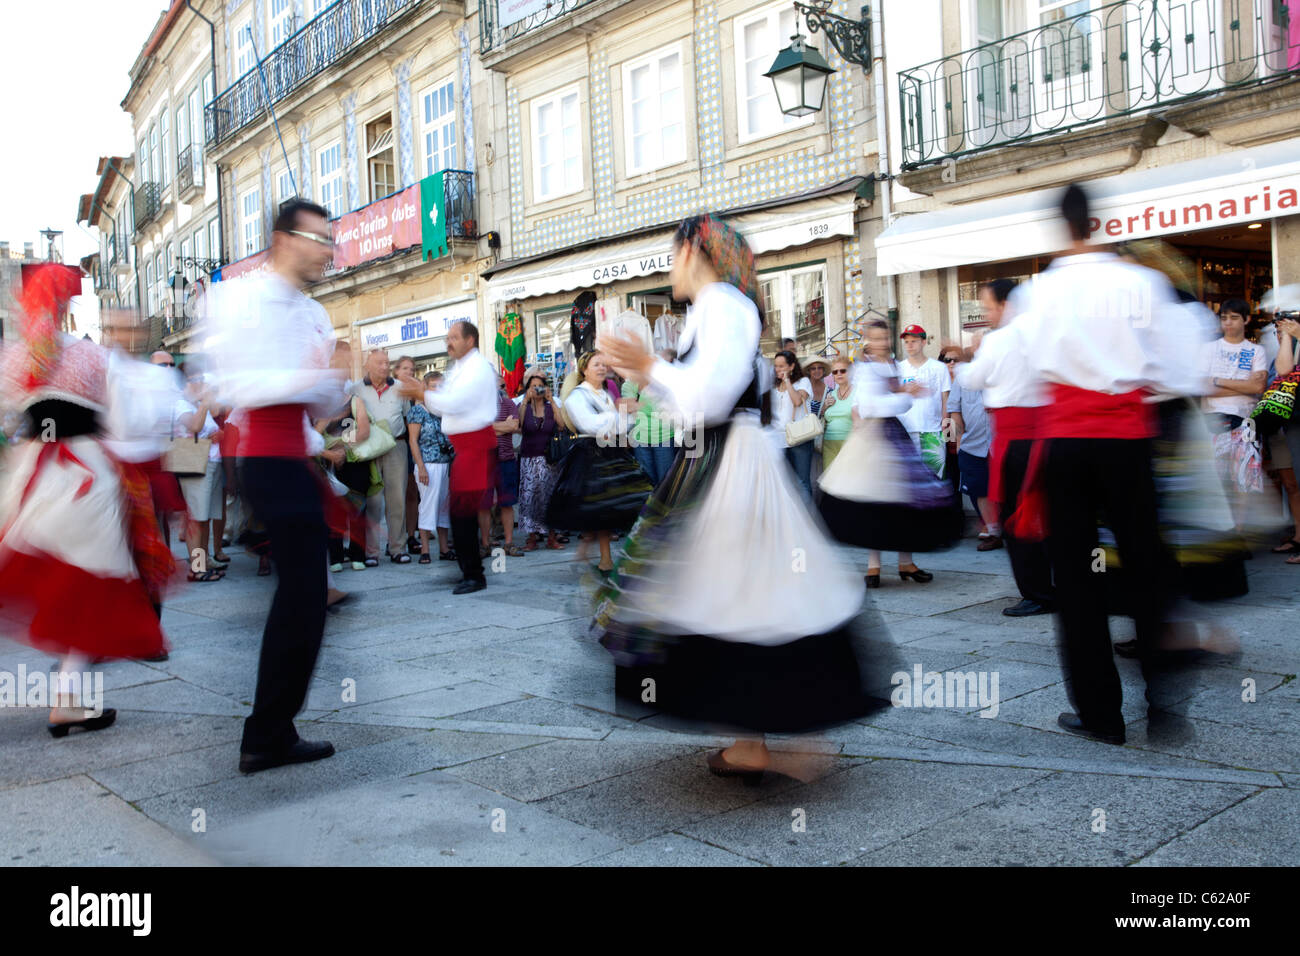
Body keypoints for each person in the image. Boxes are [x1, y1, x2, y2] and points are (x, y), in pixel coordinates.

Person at [596, 215, 894, 782]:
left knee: (735, 590)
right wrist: (650, 372)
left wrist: (649, 367)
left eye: (673, 250)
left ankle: (771, 734)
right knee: (743, 591)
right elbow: (696, 403)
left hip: (730, 464)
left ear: (693, 250)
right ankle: (758, 737)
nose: (669, 263)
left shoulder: (723, 304)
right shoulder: (716, 308)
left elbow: (710, 396)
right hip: (721, 460)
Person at [1008, 183, 1197, 745]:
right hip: (1127, 437)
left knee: (1078, 578)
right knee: (1147, 564)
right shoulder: (1141, 282)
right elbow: (1177, 373)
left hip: (1067, 440)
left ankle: (1101, 715)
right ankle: (1164, 709)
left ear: (1061, 229)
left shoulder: (1037, 293)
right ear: (1097, 225)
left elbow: (1027, 373)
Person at [0, 264, 173, 736]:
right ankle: (67, 699)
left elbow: (7, 418)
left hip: (33, 480)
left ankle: (65, 697)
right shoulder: (92, 358)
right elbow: (126, 427)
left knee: (28, 573)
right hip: (87, 480)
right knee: (91, 590)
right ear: (66, 308)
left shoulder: (14, 360)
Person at [206, 198, 344, 773]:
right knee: (304, 593)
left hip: (292, 454)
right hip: (263, 453)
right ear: (284, 238)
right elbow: (234, 382)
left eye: (329, 241)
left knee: (307, 595)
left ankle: (271, 728)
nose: (326, 251)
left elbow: (325, 404)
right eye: (317, 239)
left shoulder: (313, 313)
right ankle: (266, 733)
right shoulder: (240, 298)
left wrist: (331, 380)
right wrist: (317, 377)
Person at [819, 321, 959, 587]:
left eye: (885, 337)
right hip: (875, 437)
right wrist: (906, 395)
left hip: (892, 435)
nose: (882, 342)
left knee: (900, 501)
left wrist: (905, 395)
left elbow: (886, 404)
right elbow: (872, 406)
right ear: (868, 341)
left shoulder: (890, 365)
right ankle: (875, 566)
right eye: (876, 338)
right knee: (876, 501)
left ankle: (904, 562)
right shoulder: (866, 367)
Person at [958, 278, 1055, 617]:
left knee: (1017, 517)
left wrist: (965, 358)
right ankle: (1056, 584)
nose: (987, 313)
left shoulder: (999, 340)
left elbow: (972, 379)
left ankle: (1038, 592)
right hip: (1047, 433)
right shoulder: (1044, 333)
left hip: (1015, 437)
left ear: (1005, 305)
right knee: (1047, 513)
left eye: (988, 307)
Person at [396, 321, 498, 594]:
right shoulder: (460, 369)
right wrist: (425, 393)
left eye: (454, 337)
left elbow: (453, 403)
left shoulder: (477, 369)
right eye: (448, 337)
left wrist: (422, 392)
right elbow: (447, 405)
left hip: (475, 446)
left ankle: (474, 574)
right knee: (459, 512)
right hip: (466, 448)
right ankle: (471, 569)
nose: (448, 342)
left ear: (470, 340)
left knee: (462, 512)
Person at [547, 350, 652, 576]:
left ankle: (606, 558)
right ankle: (605, 559)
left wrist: (628, 414)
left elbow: (622, 426)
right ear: (584, 369)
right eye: (597, 364)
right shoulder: (577, 396)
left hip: (611, 451)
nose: (602, 368)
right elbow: (590, 425)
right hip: (591, 454)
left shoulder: (604, 394)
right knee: (601, 508)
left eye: (604, 364)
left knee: (615, 506)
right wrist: (620, 413)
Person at [1202, 298, 1268, 527]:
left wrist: (1217, 381)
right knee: (1216, 482)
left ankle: (1238, 532)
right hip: (1212, 420)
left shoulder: (1256, 350)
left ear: (1246, 320)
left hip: (1245, 422)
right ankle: (1221, 530)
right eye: (1224, 318)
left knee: (1243, 481)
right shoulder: (1209, 349)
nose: (1228, 323)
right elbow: (1201, 387)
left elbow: (1257, 388)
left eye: (1234, 318)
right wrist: (1242, 384)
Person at [354, 348, 411, 563]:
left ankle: (398, 548)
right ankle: (371, 552)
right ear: (367, 365)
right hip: (369, 450)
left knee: (397, 500)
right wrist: (350, 446)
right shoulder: (356, 389)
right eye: (379, 362)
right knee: (372, 501)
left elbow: (408, 419)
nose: (384, 366)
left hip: (396, 446)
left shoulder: (400, 388)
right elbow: (348, 422)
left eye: (386, 362)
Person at [174, 360, 227, 581]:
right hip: (193, 463)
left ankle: (205, 559)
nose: (200, 382)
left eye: (200, 378)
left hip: (211, 463)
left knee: (205, 517)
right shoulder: (180, 404)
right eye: (195, 379)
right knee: (196, 517)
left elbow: (215, 416)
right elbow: (194, 427)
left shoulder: (195, 403)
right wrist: (204, 402)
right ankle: (197, 568)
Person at [946, 347, 1000, 551]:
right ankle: (993, 533)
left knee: (1004, 487)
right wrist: (959, 444)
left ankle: (1010, 531)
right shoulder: (962, 381)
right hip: (972, 445)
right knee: (979, 490)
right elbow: (955, 410)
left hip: (999, 443)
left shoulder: (999, 377)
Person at [405, 370, 455, 564]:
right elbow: (413, 441)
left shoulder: (444, 410)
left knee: (444, 506)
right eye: (434, 386)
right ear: (425, 388)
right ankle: (425, 549)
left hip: (447, 463)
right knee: (426, 505)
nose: (438, 390)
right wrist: (421, 467)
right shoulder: (418, 410)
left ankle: (444, 548)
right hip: (428, 464)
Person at [516, 367, 564, 551]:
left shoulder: (551, 406)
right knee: (529, 498)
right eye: (533, 386)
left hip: (549, 458)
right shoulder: (524, 407)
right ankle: (531, 538)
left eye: (540, 386)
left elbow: (561, 425)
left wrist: (551, 400)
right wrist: (525, 401)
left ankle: (552, 536)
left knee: (549, 498)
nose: (537, 390)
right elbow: (520, 425)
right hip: (529, 458)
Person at [897, 324, 949, 477]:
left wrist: (946, 434)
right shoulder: (898, 369)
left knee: (936, 480)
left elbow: (945, 399)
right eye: (906, 342)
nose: (909, 345)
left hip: (932, 432)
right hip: (905, 432)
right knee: (909, 482)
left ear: (923, 342)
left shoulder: (939, 368)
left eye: (914, 341)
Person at [621, 349, 679, 486]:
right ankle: (649, 508)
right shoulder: (630, 384)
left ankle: (663, 507)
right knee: (646, 482)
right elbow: (628, 410)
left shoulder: (666, 384)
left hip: (664, 437)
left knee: (666, 482)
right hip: (640, 439)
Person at [481, 373, 523, 558]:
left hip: (506, 459)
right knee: (484, 504)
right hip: (484, 461)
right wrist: (501, 426)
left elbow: (514, 426)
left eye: (501, 385)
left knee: (507, 503)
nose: (499, 388)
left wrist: (491, 427)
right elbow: (479, 429)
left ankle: (508, 542)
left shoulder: (509, 404)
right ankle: (485, 543)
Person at [770, 349, 813, 499]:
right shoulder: (773, 386)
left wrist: (787, 381)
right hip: (778, 440)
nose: (778, 369)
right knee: (784, 484)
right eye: (776, 366)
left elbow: (797, 401)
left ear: (792, 366)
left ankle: (807, 519)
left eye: (782, 366)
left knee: (802, 483)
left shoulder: (804, 382)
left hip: (799, 437)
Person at [394, 355, 422, 556]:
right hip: (400, 442)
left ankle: (411, 535)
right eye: (405, 369)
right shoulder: (393, 391)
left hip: (415, 445)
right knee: (396, 495)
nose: (409, 373)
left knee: (412, 493)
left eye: (412, 369)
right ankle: (396, 537)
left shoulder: (416, 393)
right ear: (396, 371)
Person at [819, 355, 855, 471]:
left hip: (850, 443)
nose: (839, 374)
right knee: (830, 481)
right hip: (829, 444)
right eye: (835, 372)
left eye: (843, 371)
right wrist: (825, 406)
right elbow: (821, 417)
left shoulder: (858, 392)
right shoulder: (831, 394)